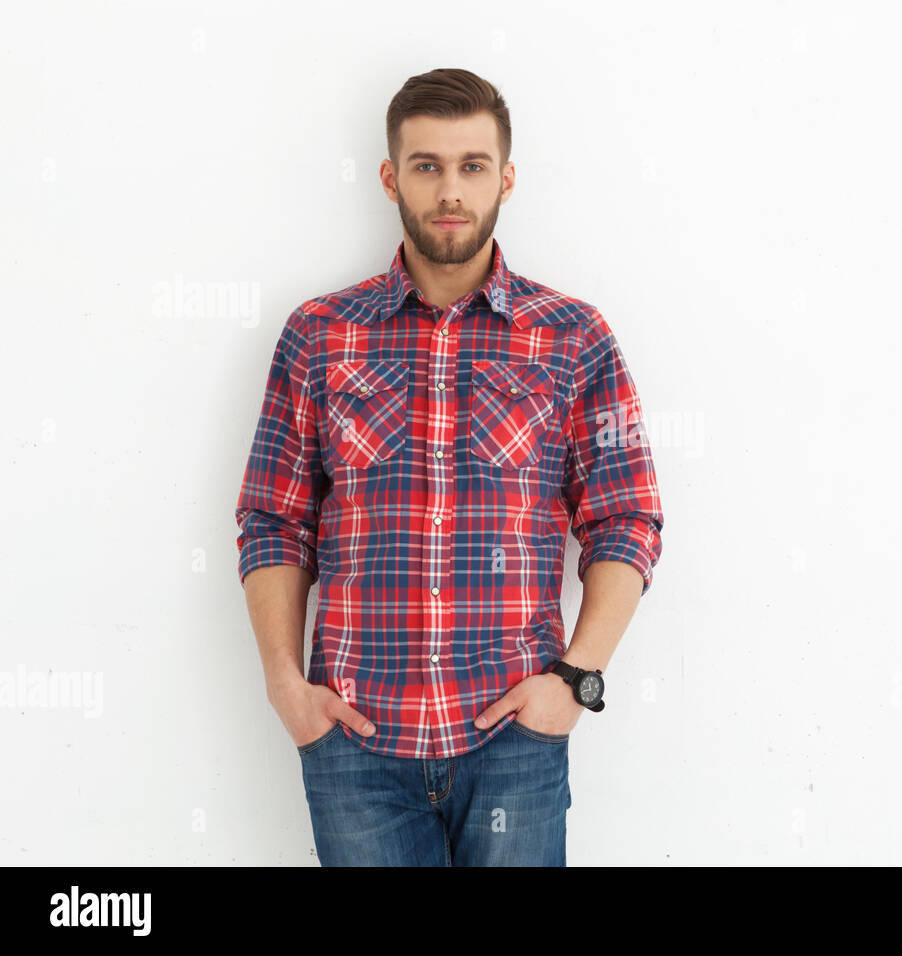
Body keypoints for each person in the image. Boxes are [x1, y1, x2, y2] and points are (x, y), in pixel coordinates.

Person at [234, 67, 664, 866]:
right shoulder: (320, 334)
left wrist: (576, 680)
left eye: (472, 165)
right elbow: (273, 518)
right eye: (427, 166)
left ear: (505, 177)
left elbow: (626, 517)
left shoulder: (573, 336)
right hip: (355, 745)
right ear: (392, 177)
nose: (450, 191)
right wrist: (285, 685)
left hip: (514, 742)